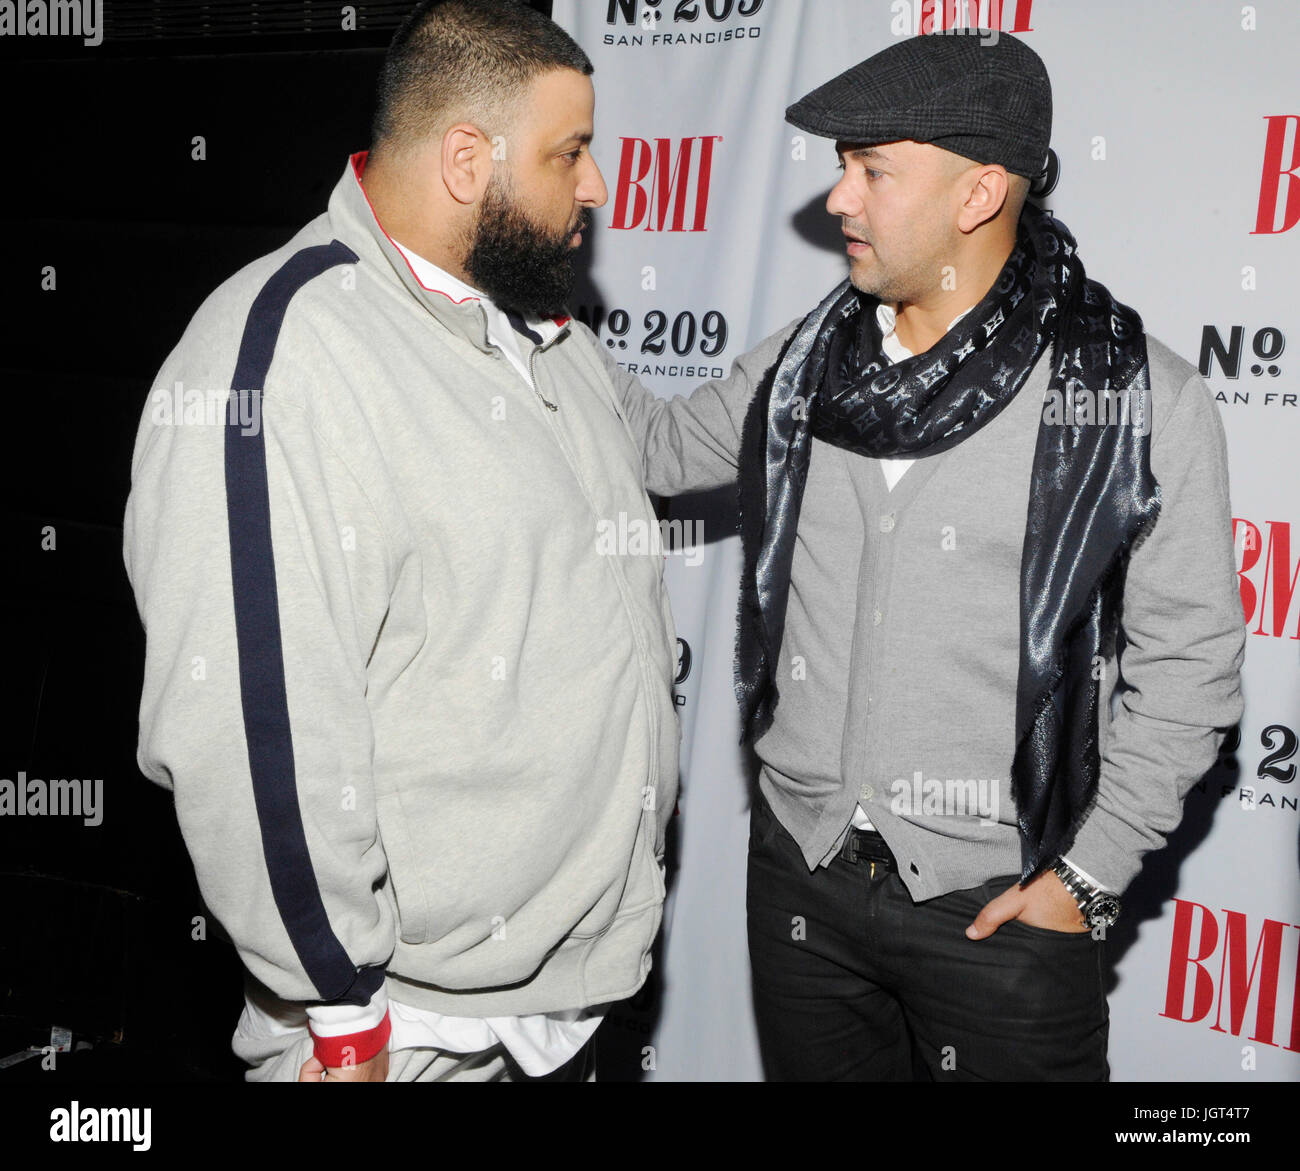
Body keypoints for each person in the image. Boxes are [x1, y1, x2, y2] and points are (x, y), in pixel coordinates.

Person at [598, 32, 1245, 1080]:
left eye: (871, 170)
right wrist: (531, 302)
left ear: (978, 192)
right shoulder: (810, 361)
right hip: (802, 886)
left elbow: (1191, 665)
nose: (838, 202)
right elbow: (661, 448)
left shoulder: (1131, 398)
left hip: (1000, 915)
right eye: (840, 167)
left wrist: (1083, 882)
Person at [123, 0, 682, 1083]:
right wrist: (338, 1011)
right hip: (404, 1040)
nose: (600, 188)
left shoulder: (543, 334)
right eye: (572, 154)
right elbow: (254, 733)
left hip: (572, 1008)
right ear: (467, 160)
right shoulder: (280, 363)